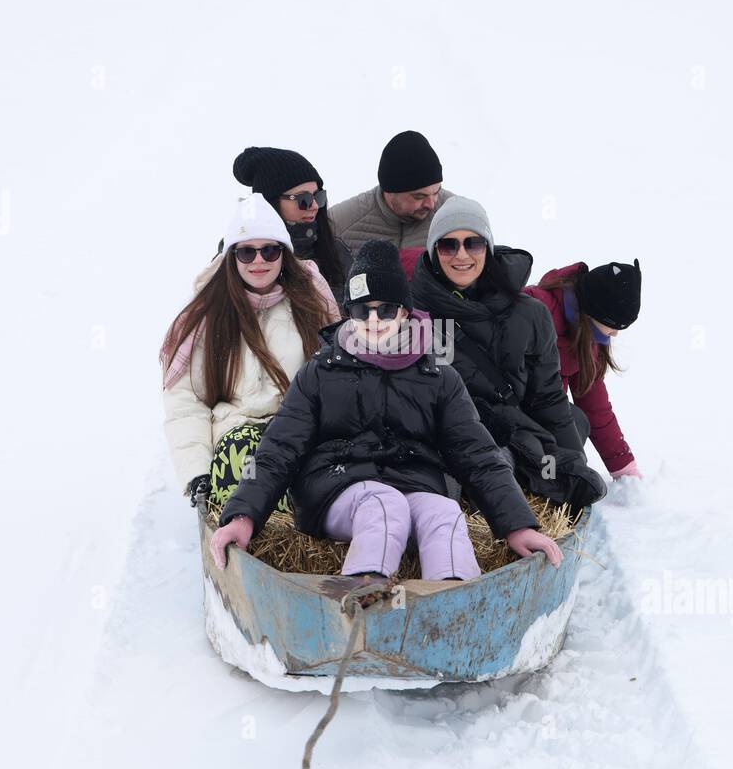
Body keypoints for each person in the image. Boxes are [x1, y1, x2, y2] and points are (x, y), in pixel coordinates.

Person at [208, 240, 563, 580]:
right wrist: (244, 516)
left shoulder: (437, 376)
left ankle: (451, 604)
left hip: (414, 483)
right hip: (337, 486)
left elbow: (477, 454)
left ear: (405, 312)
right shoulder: (321, 372)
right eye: (362, 309)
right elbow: (279, 448)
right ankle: (364, 595)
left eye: (386, 310)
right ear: (349, 312)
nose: (373, 320)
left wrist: (518, 525)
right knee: (383, 504)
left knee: (445, 512)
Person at [411, 197, 607, 511]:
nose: (461, 255)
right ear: (434, 252)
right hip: (450, 442)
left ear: (487, 248)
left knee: (573, 425)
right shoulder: (414, 316)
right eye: (448, 245)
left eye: (473, 243)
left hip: (517, 432)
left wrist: (571, 465)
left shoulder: (529, 314)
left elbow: (547, 398)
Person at [161, 194, 339, 510]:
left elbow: (338, 376)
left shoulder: (310, 302)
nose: (259, 261)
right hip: (236, 437)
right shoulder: (206, 316)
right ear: (232, 257)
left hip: (298, 429)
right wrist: (197, 471)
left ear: (284, 254)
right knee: (247, 466)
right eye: (247, 252)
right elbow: (186, 403)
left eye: (269, 251)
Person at [524, 260, 642, 479]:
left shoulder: (585, 334)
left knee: (576, 420)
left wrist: (625, 468)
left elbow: (595, 405)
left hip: (544, 421)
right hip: (507, 419)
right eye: (614, 325)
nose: (615, 334)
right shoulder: (535, 311)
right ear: (597, 311)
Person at [232, 145, 352, 301]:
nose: (314, 206)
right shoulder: (239, 251)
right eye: (304, 200)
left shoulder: (334, 251)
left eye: (318, 196)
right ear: (271, 202)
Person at [328, 130, 457, 259]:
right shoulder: (338, 224)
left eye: (436, 192)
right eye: (419, 196)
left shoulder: (456, 214)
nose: (431, 203)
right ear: (389, 191)